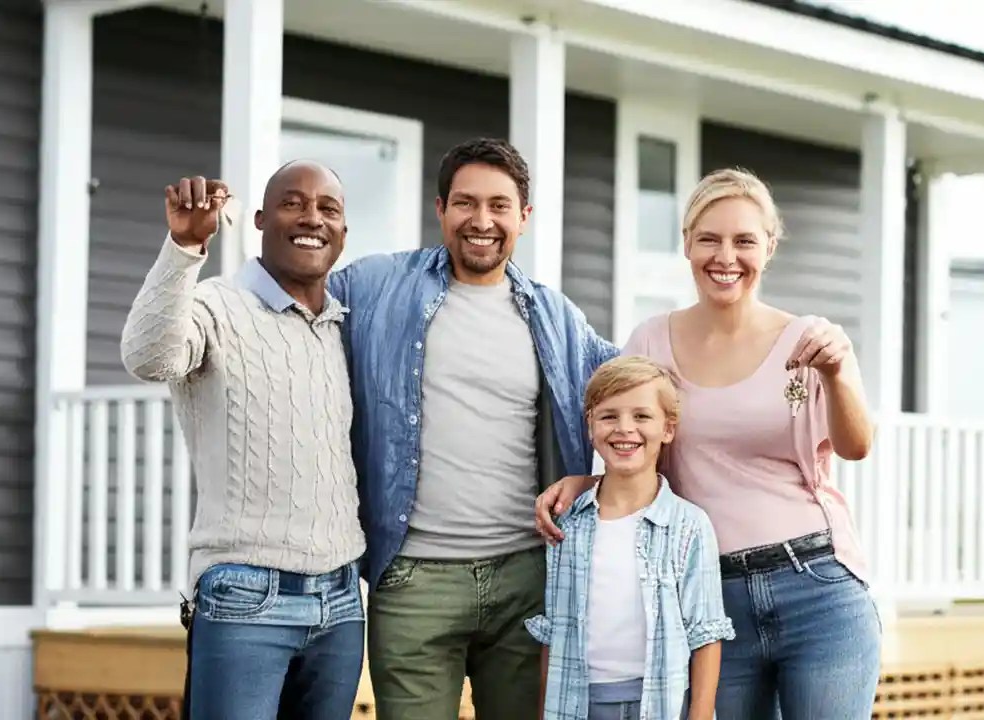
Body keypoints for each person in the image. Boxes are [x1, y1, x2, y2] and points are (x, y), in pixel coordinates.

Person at [535, 168, 880, 719]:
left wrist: (840, 373)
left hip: (816, 587)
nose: (726, 256)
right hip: (708, 597)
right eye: (710, 239)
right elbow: (636, 438)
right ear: (688, 245)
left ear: (768, 247)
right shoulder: (651, 339)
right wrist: (589, 481)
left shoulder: (809, 340)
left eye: (745, 240)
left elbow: (856, 445)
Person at [327, 137, 619, 719]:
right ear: (440, 210)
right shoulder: (376, 286)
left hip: (526, 580)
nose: (481, 221)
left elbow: (639, 396)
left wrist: (598, 485)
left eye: (499, 205)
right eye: (464, 203)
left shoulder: (556, 317)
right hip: (413, 582)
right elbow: (291, 304)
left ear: (523, 217)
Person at [120, 161, 366, 720]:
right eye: (292, 203)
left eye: (328, 209)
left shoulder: (342, 326)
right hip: (245, 596)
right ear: (259, 219)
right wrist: (184, 246)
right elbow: (147, 356)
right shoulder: (216, 306)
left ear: (344, 233)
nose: (311, 218)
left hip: (342, 600)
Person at [526, 355, 732, 720]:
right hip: (578, 704)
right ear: (590, 426)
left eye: (641, 416)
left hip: (659, 705)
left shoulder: (688, 526)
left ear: (668, 428)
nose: (624, 428)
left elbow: (706, 637)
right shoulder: (567, 523)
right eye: (609, 416)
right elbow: (554, 633)